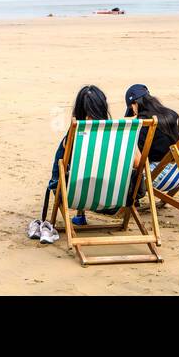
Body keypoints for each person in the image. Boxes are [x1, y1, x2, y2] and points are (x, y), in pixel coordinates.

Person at [31, 85, 115, 243]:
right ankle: (80, 215)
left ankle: (80, 213)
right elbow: (138, 163)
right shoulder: (120, 133)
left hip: (73, 195)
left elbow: (69, 170)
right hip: (114, 196)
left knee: (69, 168)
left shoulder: (76, 135)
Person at [122, 84, 179, 170]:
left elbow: (137, 161)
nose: (134, 113)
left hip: (155, 173)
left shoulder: (145, 123)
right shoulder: (171, 114)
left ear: (135, 104)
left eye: (132, 109)